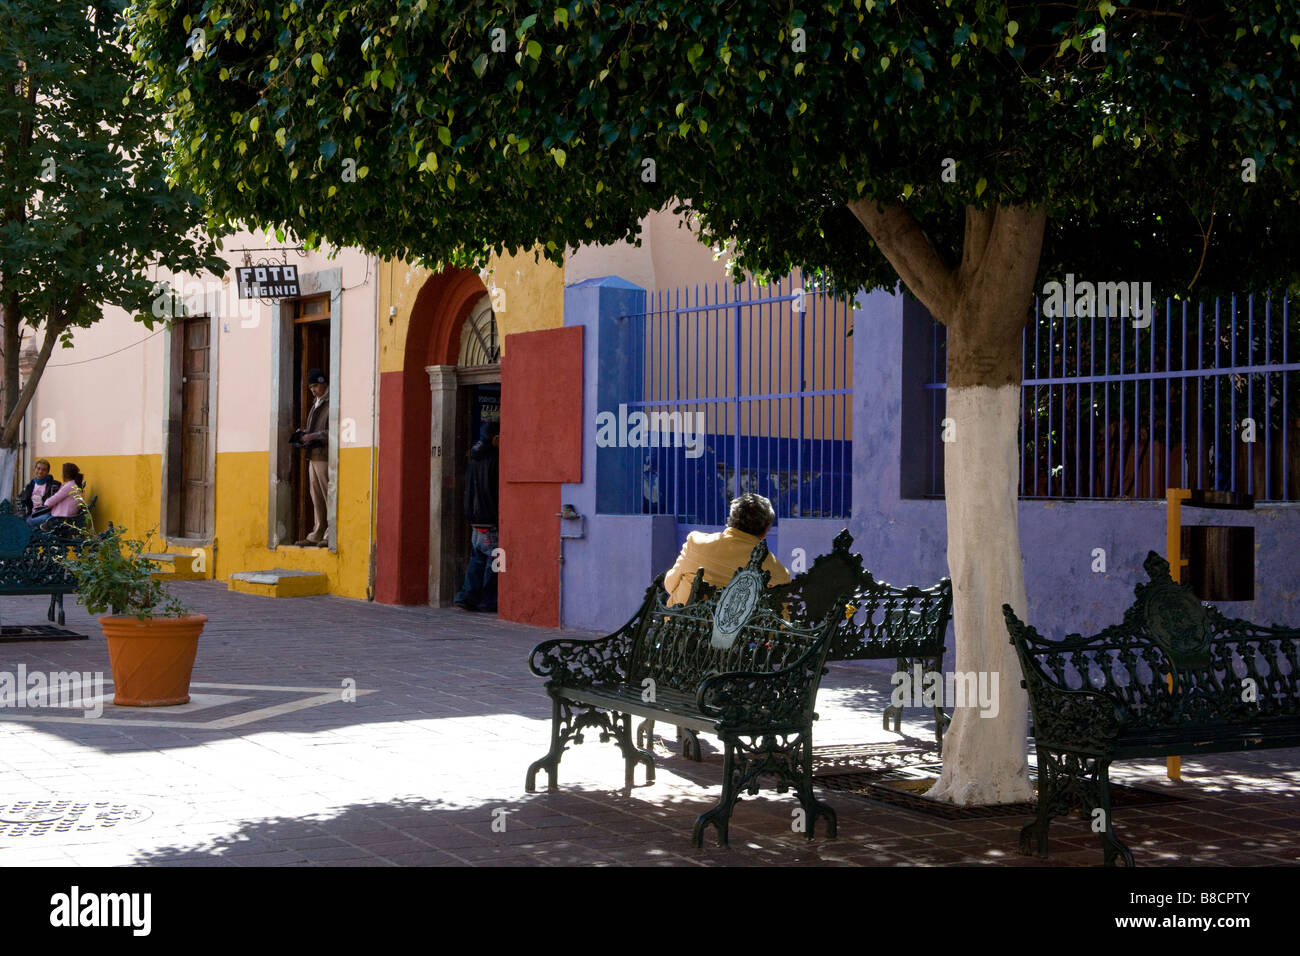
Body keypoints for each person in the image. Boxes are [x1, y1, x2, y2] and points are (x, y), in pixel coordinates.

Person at [663, 492, 791, 606]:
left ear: (730, 520)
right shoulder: (777, 571)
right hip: (739, 633)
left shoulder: (696, 542)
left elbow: (670, 585)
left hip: (680, 629)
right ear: (765, 531)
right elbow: (780, 620)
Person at [454, 420, 500, 613]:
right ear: (495, 438)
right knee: (497, 562)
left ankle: (468, 596)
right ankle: (489, 600)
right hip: (491, 520)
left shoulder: (475, 459)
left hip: (475, 520)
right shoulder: (496, 460)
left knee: (477, 559)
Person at [292, 368, 330, 547]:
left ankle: (330, 534)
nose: (313, 390)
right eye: (311, 387)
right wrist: (305, 433)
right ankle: (317, 533)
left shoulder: (330, 402)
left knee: (327, 494)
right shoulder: (316, 403)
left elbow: (332, 431)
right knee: (316, 496)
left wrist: (313, 436)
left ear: (323, 384)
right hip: (313, 455)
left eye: (315, 386)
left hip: (324, 455)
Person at [33, 463, 87, 531]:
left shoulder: (69, 485)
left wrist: (46, 503)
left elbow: (53, 500)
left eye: (62, 472)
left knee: (30, 520)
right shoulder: (73, 484)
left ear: (66, 474)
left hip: (60, 519)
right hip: (67, 517)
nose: (61, 474)